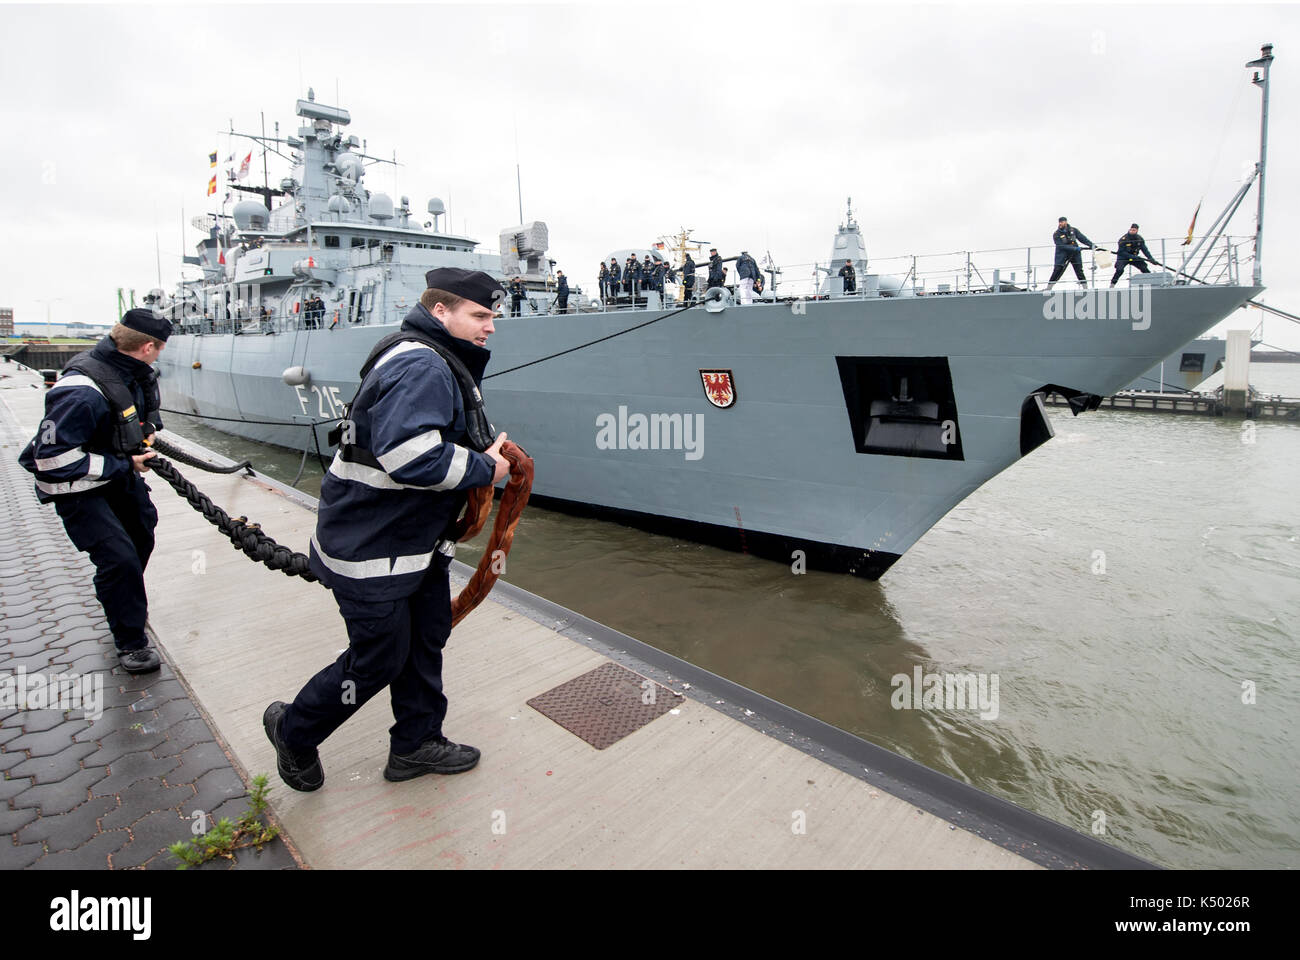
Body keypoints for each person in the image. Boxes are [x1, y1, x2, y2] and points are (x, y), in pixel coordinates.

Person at [264, 267, 513, 791]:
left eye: (492, 316)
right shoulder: (423, 364)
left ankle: (416, 745)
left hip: (415, 542)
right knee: (378, 659)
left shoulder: (421, 352)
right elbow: (409, 456)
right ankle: (293, 730)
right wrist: (486, 470)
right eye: (480, 315)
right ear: (440, 311)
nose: (491, 327)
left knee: (424, 642)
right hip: (373, 546)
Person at [18, 309, 171, 674]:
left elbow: (145, 418)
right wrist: (126, 465)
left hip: (116, 475)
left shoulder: (131, 374)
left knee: (141, 532)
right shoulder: (81, 392)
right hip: (77, 487)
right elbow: (53, 460)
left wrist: (144, 438)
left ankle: (121, 600)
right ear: (148, 346)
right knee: (117, 557)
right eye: (160, 349)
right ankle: (131, 643)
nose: (159, 355)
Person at [1047, 216, 1095, 288]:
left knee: (1079, 270)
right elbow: (1061, 246)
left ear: (1066, 222)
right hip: (1063, 254)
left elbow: (1082, 238)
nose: (1061, 223)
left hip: (1075, 254)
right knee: (1057, 270)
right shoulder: (1056, 234)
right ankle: (1049, 287)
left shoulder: (1073, 230)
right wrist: (1075, 249)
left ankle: (1085, 287)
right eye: (1060, 222)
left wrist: (1092, 245)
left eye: (1062, 222)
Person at [1111, 223, 1156, 287]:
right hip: (1123, 257)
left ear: (1137, 230)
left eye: (1134, 230)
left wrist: (1151, 258)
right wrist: (1133, 257)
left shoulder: (1139, 239)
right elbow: (1121, 252)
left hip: (1135, 258)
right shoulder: (1123, 239)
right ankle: (1112, 284)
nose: (1132, 231)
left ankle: (1152, 282)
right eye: (1131, 230)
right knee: (1119, 270)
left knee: (1144, 268)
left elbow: (1145, 250)